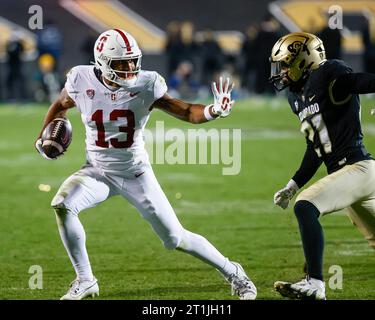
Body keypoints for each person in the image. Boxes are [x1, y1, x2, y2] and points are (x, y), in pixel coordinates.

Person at [34, 29, 257, 300]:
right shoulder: (81, 78)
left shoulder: (147, 83)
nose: (130, 68)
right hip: (97, 170)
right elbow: (60, 104)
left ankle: (234, 271)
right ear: (102, 62)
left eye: (133, 61)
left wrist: (214, 110)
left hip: (135, 173)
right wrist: (43, 137)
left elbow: (185, 110)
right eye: (121, 63)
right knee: (63, 204)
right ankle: (85, 280)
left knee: (175, 238)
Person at [269, 32, 375, 300]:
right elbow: (316, 147)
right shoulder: (297, 96)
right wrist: (293, 184)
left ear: (303, 61)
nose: (281, 72)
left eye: (285, 64)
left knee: (306, 207)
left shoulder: (328, 74)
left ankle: (315, 284)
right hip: (351, 177)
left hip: (357, 168)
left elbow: (355, 81)